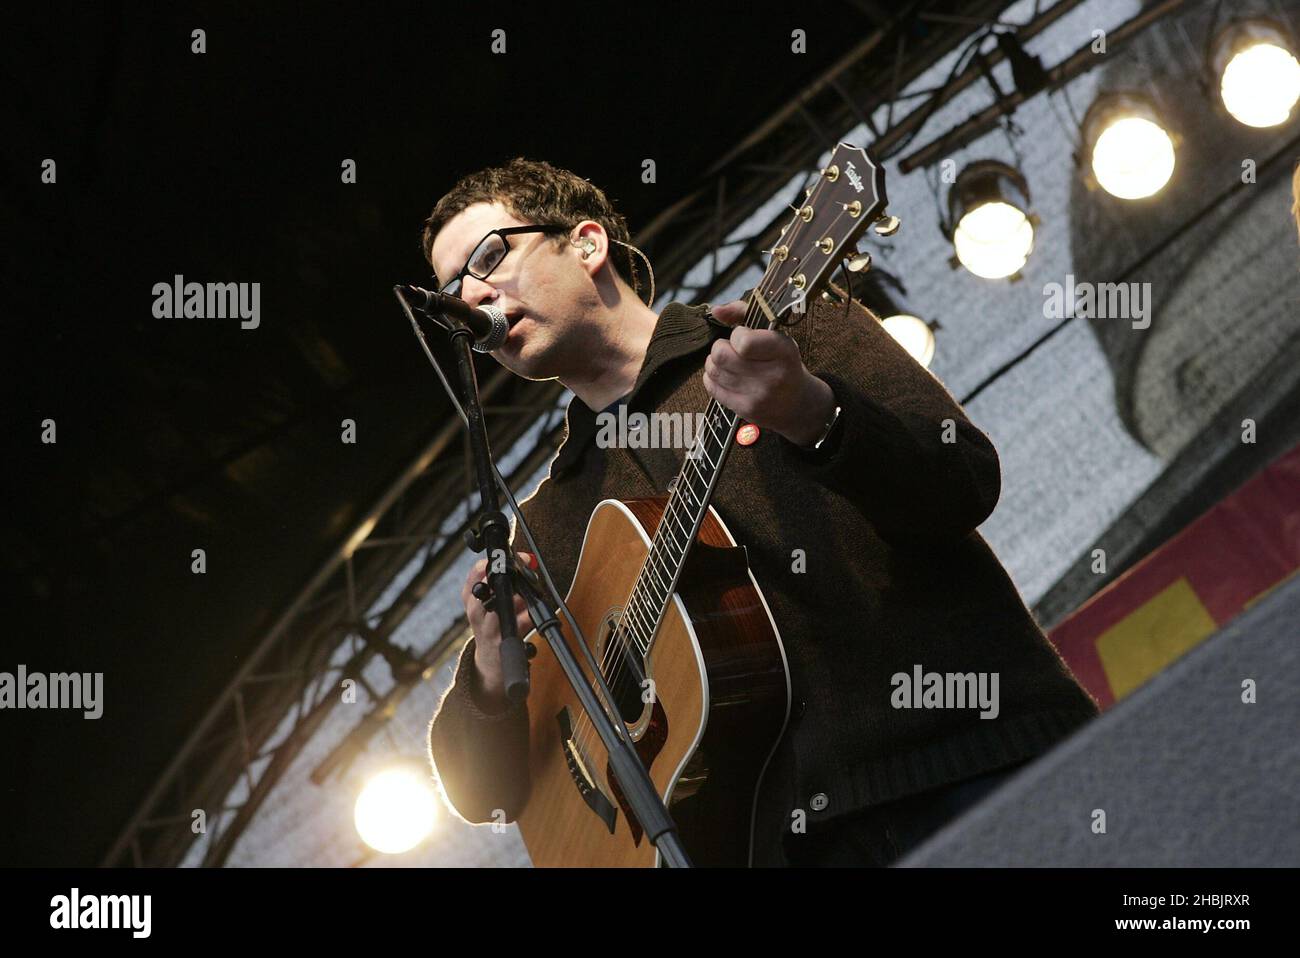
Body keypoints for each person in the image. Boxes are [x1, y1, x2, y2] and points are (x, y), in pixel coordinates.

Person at [423, 156, 1099, 866]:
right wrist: (492, 679)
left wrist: (814, 412)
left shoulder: (791, 336)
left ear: (587, 244)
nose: (471, 297)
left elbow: (963, 483)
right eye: (451, 292)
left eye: (490, 256)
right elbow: (487, 797)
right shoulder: (550, 525)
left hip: (977, 769)